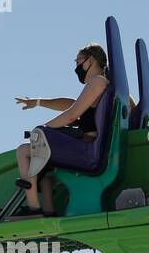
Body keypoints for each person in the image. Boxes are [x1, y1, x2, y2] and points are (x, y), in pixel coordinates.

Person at [12, 44, 112, 217]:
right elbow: (72, 104)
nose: (76, 66)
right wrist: (37, 102)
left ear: (90, 60)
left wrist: (43, 130)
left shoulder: (97, 82)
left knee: (24, 151)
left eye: (78, 61)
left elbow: (71, 115)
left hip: (87, 148)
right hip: (88, 144)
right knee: (45, 161)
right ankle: (49, 210)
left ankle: (34, 209)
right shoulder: (102, 84)